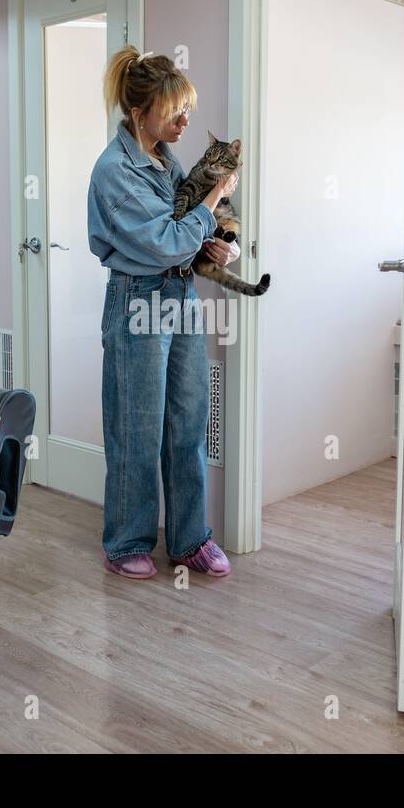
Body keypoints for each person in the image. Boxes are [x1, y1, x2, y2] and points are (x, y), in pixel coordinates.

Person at [87, 46, 241, 580]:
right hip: (138, 300)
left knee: (188, 419)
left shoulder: (163, 158)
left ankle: (189, 538)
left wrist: (218, 249)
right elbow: (165, 239)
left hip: (178, 296)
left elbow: (185, 238)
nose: (185, 120)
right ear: (139, 113)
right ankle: (127, 539)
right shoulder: (114, 171)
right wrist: (216, 194)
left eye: (187, 109)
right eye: (175, 110)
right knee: (137, 426)